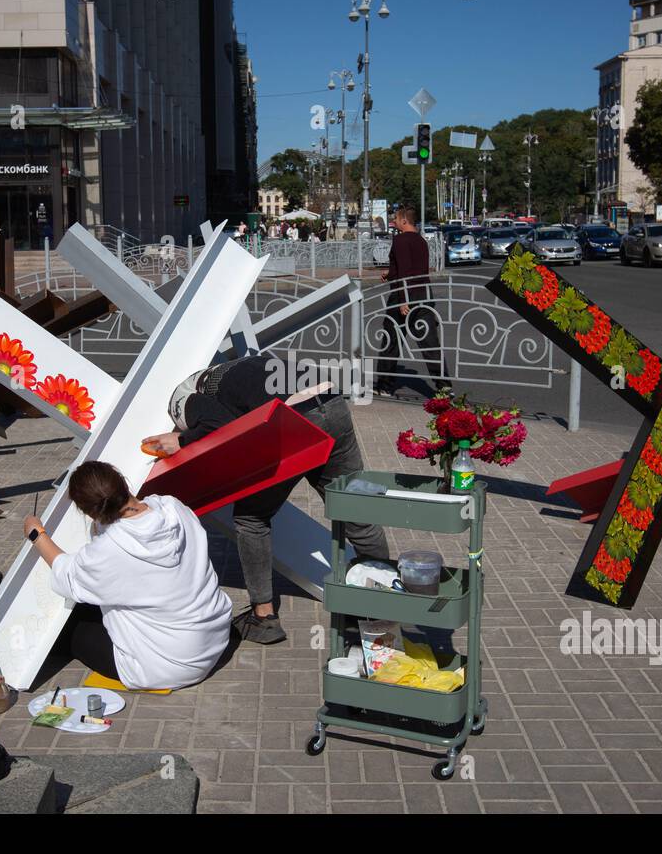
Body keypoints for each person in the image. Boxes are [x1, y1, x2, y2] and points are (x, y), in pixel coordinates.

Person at [142, 354, 389, 645]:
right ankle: (381, 605)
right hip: (333, 402)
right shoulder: (239, 367)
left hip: (294, 420)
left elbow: (214, 424)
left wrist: (181, 440)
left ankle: (263, 618)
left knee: (251, 518)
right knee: (356, 513)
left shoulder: (183, 396)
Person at [0, 461, 231, 690]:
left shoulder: (111, 550)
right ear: (123, 482)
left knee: (62, 617)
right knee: (92, 597)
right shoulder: (172, 507)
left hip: (165, 664)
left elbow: (67, 575)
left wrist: (36, 535)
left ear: (89, 511)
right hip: (212, 639)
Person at [374, 204, 451, 396]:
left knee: (391, 340)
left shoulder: (400, 240)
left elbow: (406, 271)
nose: (394, 222)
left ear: (404, 220)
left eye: (396, 219)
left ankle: (384, 384)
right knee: (429, 342)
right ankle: (444, 386)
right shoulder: (421, 241)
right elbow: (412, 269)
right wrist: (390, 272)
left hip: (403, 295)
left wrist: (403, 300)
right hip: (423, 293)